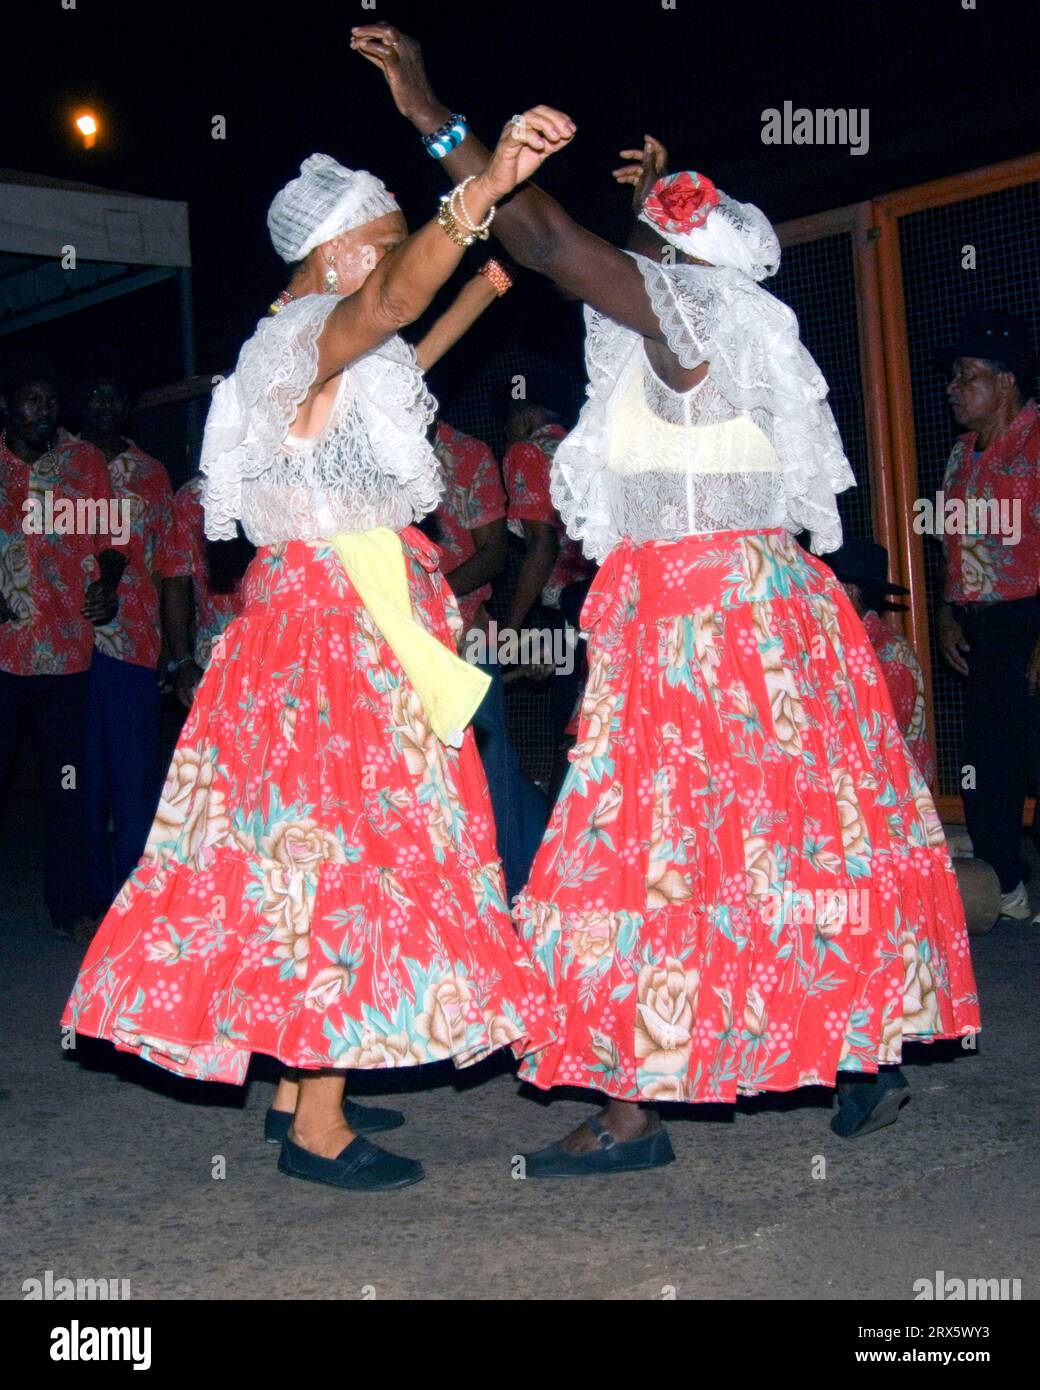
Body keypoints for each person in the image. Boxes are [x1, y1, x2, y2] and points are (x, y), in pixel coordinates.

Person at [356, 21, 981, 1174]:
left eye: (653, 242)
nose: (632, 253)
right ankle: (856, 1058)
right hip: (752, 620)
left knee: (637, 855)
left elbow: (546, 239)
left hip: (703, 635)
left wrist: (433, 117)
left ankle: (634, 1112)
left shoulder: (696, 329)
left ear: (685, 273)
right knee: (781, 851)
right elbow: (609, 254)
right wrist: (653, 189)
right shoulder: (712, 332)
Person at [62, 110, 573, 1191]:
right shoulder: (308, 331)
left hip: (309, 614)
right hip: (334, 627)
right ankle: (318, 1126)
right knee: (346, 853)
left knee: (298, 851)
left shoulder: (290, 348)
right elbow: (384, 307)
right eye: (385, 243)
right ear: (338, 253)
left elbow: (382, 357)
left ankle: (299, 1085)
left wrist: (469, 296)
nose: (396, 265)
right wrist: (473, 201)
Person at [0, 361, 125, 940]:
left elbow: (111, 540)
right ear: (8, 405)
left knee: (67, 784)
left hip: (64, 653)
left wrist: (109, 582)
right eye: (30, 397)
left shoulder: (82, 465)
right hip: (3, 654)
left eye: (51, 399)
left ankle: (69, 906)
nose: (42, 408)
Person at [934, 311, 1040, 921]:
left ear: (1006, 382)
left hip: (1032, 617)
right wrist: (948, 615)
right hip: (981, 628)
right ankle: (1006, 888)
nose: (952, 389)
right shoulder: (959, 457)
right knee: (986, 765)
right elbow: (951, 545)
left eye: (965, 376)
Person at [76, 376, 194, 927]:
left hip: (134, 642)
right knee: (79, 776)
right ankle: (89, 896)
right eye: (96, 392)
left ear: (128, 403)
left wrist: (177, 655)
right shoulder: (55, 467)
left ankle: (132, 902)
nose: (105, 400)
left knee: (133, 778)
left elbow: (173, 569)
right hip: (60, 648)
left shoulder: (150, 475)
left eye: (114, 393)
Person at [824, 538, 936, 788]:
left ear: (848, 591)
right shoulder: (843, 644)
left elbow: (878, 741)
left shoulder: (890, 653)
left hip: (892, 794)